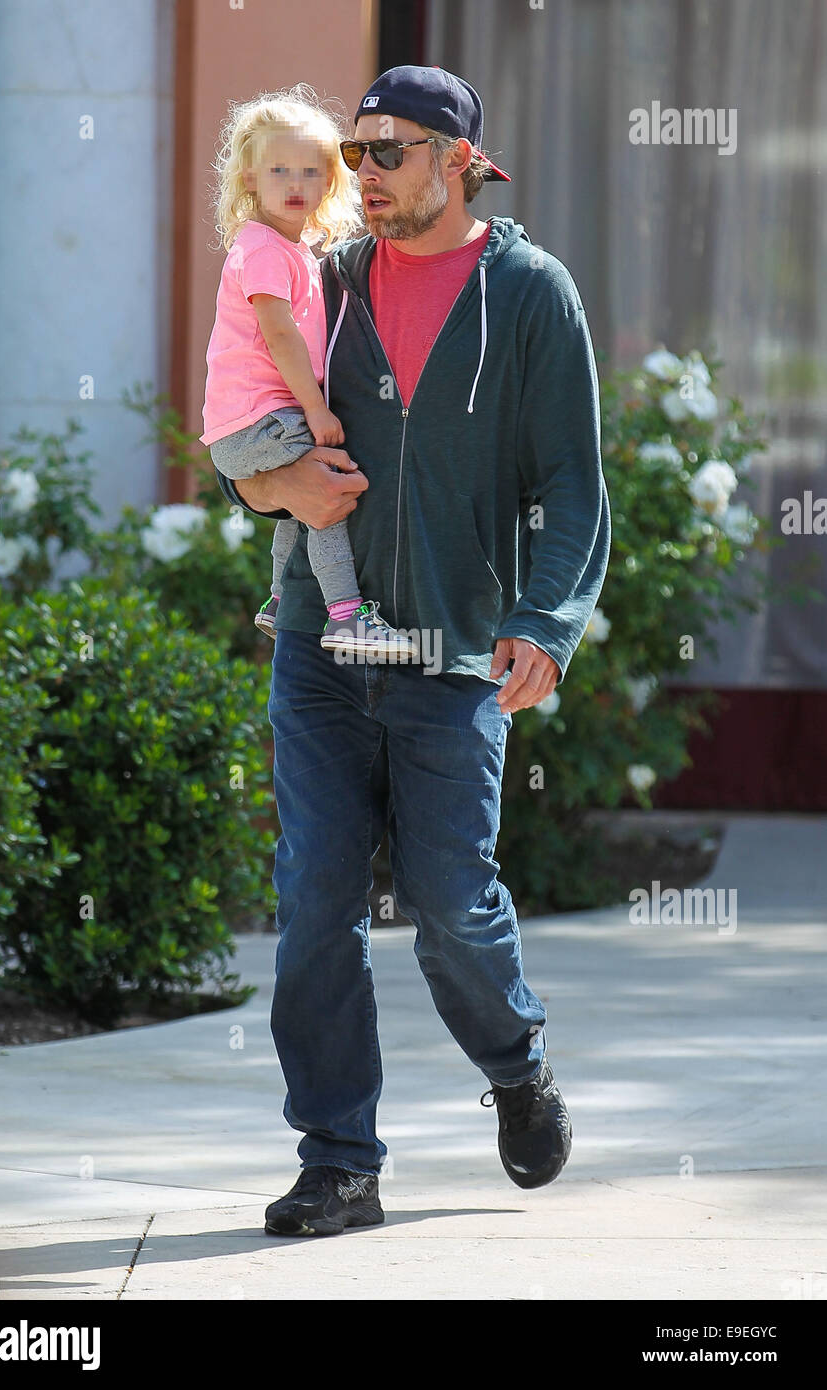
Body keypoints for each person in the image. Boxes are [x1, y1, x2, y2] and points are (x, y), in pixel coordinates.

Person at [213, 65, 611, 1238]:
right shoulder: (318, 278)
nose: (360, 175)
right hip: (321, 649)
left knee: (450, 908)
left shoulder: (530, 294)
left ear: (457, 162)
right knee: (315, 904)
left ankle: (513, 1061)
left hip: (451, 654)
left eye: (388, 152)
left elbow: (571, 488)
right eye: (353, 151)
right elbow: (241, 420)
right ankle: (338, 1157)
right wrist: (266, 480)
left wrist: (542, 623)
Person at [202, 83, 415, 659]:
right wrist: (316, 408)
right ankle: (346, 615)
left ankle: (279, 599)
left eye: (309, 171)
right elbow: (280, 336)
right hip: (259, 420)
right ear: (249, 178)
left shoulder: (290, 250)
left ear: (328, 180)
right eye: (278, 171)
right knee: (325, 490)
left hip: (244, 425)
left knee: (301, 500)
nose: (295, 186)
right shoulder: (265, 249)